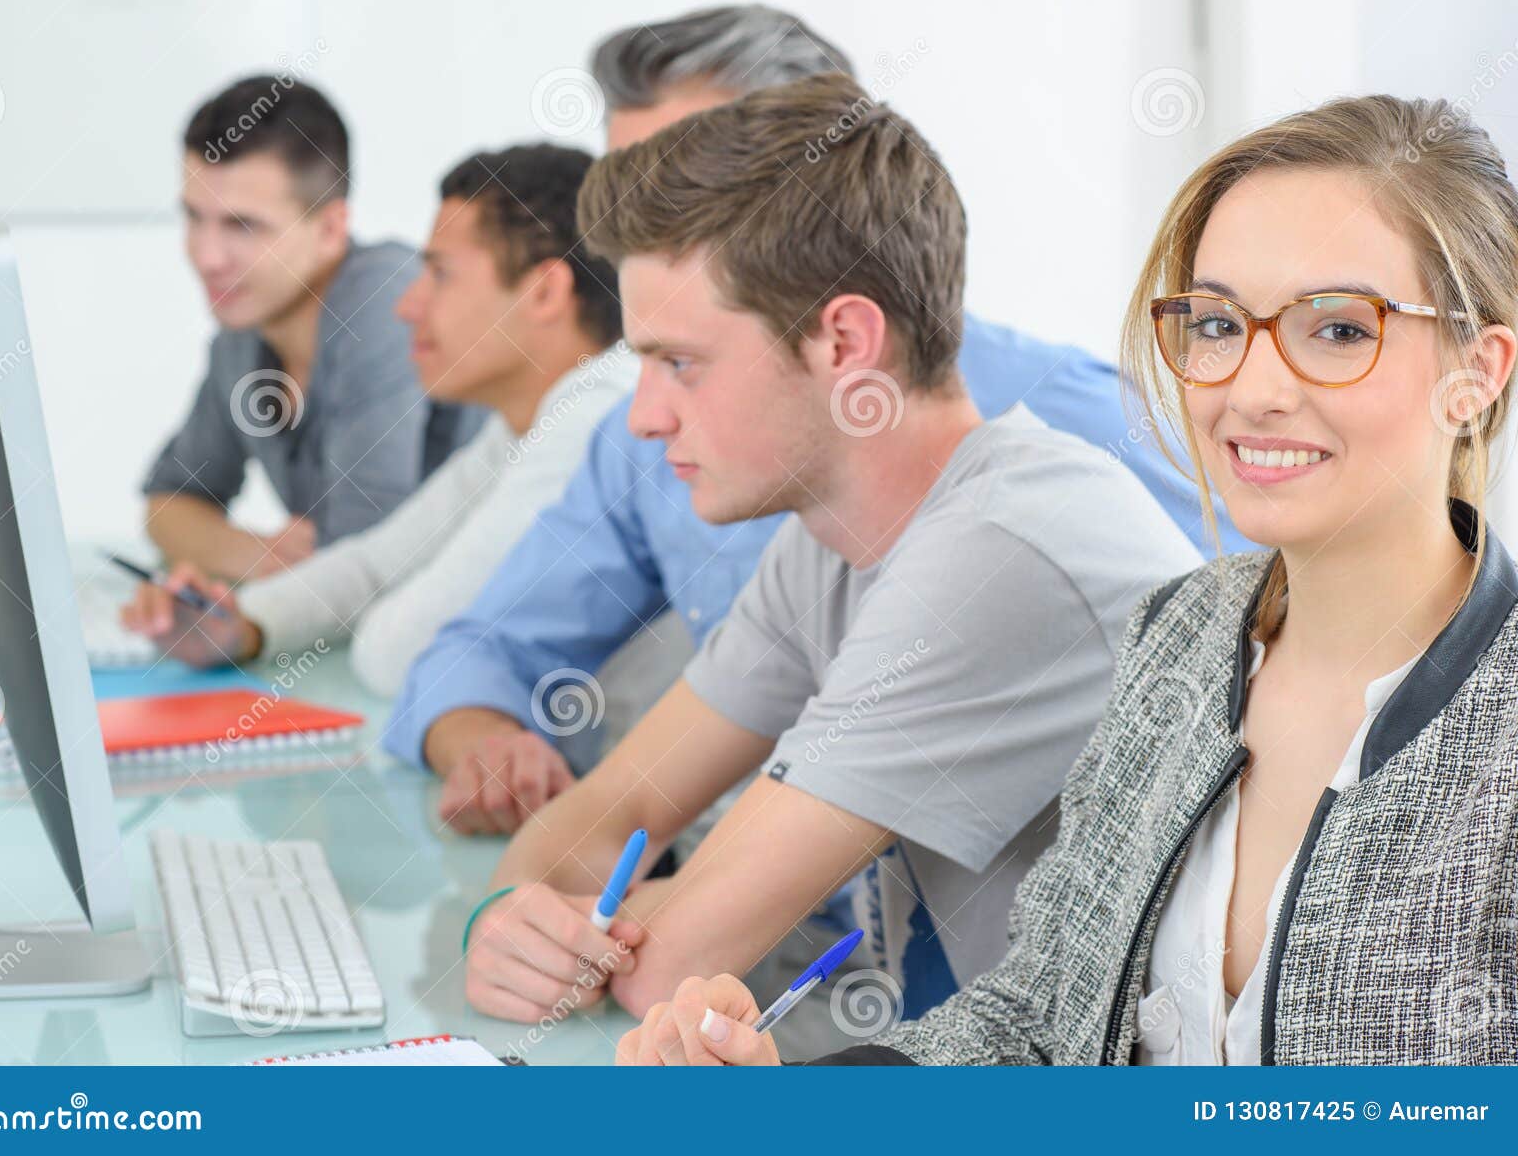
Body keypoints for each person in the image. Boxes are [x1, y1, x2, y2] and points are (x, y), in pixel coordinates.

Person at [618, 93, 1518, 1067]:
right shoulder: (1179, 634)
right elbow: (1044, 1011)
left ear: (1476, 370)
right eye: (1217, 325)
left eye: (1339, 329)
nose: (1252, 389)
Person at [458, 74, 1200, 1032]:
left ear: (845, 339)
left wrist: (575, 934)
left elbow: (669, 967)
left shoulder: (1003, 550)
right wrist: (509, 920)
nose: (645, 416)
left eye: (679, 362)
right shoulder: (833, 539)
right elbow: (590, 830)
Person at [383, 3, 1238, 835]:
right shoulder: (651, 447)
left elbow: (1249, 656)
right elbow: (475, 653)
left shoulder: (1066, 417)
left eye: (705, 175)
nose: (650, 236)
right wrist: (489, 744)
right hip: (762, 933)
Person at [121, 145, 631, 696]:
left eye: (438, 274)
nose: (407, 305)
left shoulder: (594, 422)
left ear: (545, 292)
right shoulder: (517, 427)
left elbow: (398, 650)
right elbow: (374, 566)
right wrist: (242, 624)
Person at [143, 76, 485, 581]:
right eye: (195, 218)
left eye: (243, 226)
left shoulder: (387, 301)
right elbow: (168, 505)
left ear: (329, 229)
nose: (207, 256)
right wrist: (251, 554)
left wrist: (273, 565)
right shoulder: (244, 332)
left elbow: (360, 564)